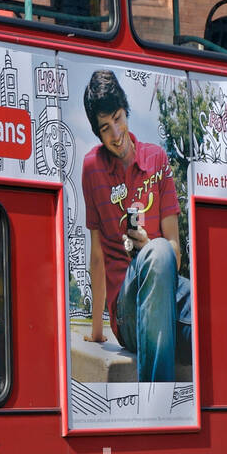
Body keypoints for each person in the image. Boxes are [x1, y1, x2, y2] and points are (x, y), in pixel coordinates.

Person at [80, 69, 191, 382]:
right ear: (98, 134)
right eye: (105, 128)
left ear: (125, 111)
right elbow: (98, 256)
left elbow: (175, 252)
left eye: (118, 118)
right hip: (127, 306)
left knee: (216, 315)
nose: (115, 133)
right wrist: (98, 331)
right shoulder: (92, 168)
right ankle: (156, 403)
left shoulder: (157, 159)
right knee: (156, 251)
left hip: (170, 290)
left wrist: (148, 248)